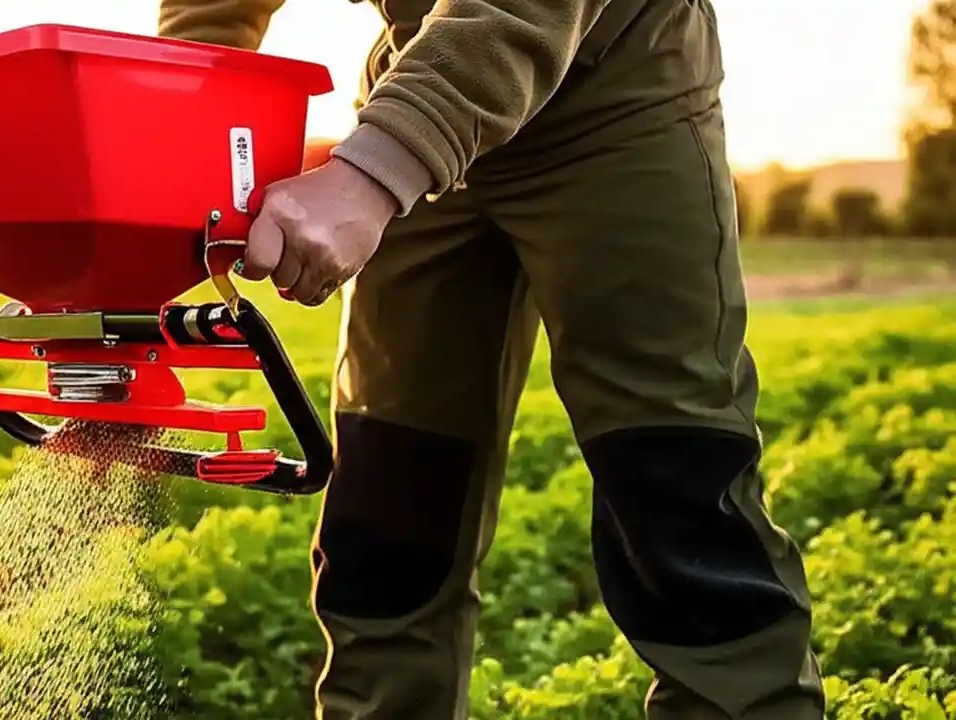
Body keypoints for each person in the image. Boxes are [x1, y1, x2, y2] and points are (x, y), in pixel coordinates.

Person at [157, 1, 825, 718]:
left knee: (673, 481)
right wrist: (178, 122)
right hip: (423, 75)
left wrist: (373, 171)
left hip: (612, 94)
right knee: (392, 503)